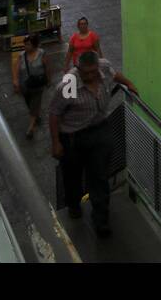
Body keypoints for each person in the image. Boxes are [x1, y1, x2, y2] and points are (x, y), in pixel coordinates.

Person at [49, 51, 139, 237]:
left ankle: (101, 221)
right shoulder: (68, 85)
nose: (89, 76)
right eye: (85, 73)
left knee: (99, 177)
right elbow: (54, 113)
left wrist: (129, 84)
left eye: (93, 72)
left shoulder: (104, 68)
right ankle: (73, 205)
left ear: (97, 67)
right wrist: (56, 142)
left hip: (99, 131)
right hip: (73, 137)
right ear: (78, 68)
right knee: (72, 175)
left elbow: (116, 75)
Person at [12, 33, 51, 138]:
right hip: (25, 85)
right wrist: (15, 81)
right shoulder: (22, 55)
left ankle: (31, 128)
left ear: (34, 45)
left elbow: (47, 67)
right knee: (29, 103)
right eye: (25, 44)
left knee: (35, 104)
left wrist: (48, 79)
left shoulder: (42, 54)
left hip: (38, 85)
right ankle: (36, 116)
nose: (26, 47)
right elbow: (16, 68)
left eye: (28, 44)